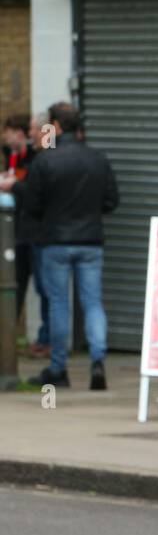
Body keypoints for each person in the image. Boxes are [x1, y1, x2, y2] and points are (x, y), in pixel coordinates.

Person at [16, 102, 117, 390]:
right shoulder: (98, 158)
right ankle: (98, 363)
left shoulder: (45, 161)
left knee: (59, 304)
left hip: (55, 243)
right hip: (91, 242)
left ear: (57, 126)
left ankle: (58, 369)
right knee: (93, 303)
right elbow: (112, 201)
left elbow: (32, 206)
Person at [1, 113, 47, 356]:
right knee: (14, 286)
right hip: (17, 232)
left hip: (36, 233)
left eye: (8, 133)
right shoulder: (13, 155)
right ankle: (7, 339)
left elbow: (34, 192)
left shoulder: (37, 157)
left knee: (44, 288)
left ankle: (45, 339)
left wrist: (13, 184)